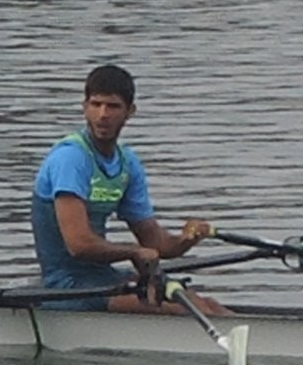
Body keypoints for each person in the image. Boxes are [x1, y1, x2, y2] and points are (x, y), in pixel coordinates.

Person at [31, 64, 227, 315]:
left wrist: (186, 239)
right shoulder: (70, 158)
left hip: (101, 276)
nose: (103, 115)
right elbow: (78, 245)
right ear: (84, 108)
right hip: (66, 286)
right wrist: (133, 252)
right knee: (187, 309)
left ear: (130, 112)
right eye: (96, 104)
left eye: (113, 106)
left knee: (205, 304)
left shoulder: (127, 163)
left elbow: (157, 244)